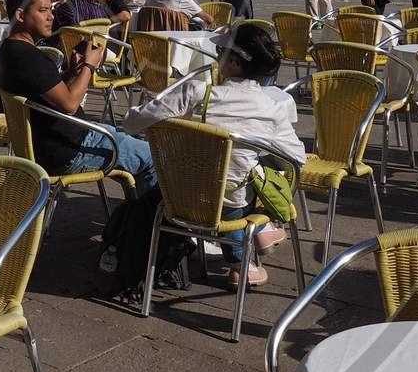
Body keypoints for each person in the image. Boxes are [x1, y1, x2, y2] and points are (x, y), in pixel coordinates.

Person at [121, 21, 301, 285]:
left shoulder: (194, 93)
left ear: (235, 63)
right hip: (230, 206)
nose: (217, 58)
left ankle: (254, 244)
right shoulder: (271, 109)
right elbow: (296, 159)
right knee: (245, 175)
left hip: (178, 198)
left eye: (221, 53)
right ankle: (247, 257)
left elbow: (131, 123)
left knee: (230, 173)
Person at [0, 0, 155, 191]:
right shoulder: (28, 58)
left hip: (57, 142)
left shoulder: (10, 51)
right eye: (43, 11)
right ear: (20, 15)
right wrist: (89, 65)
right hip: (71, 150)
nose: (51, 16)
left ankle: (134, 213)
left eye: (50, 9)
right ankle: (149, 219)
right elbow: (69, 104)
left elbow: (44, 91)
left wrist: (72, 71)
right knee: (155, 158)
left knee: (132, 143)